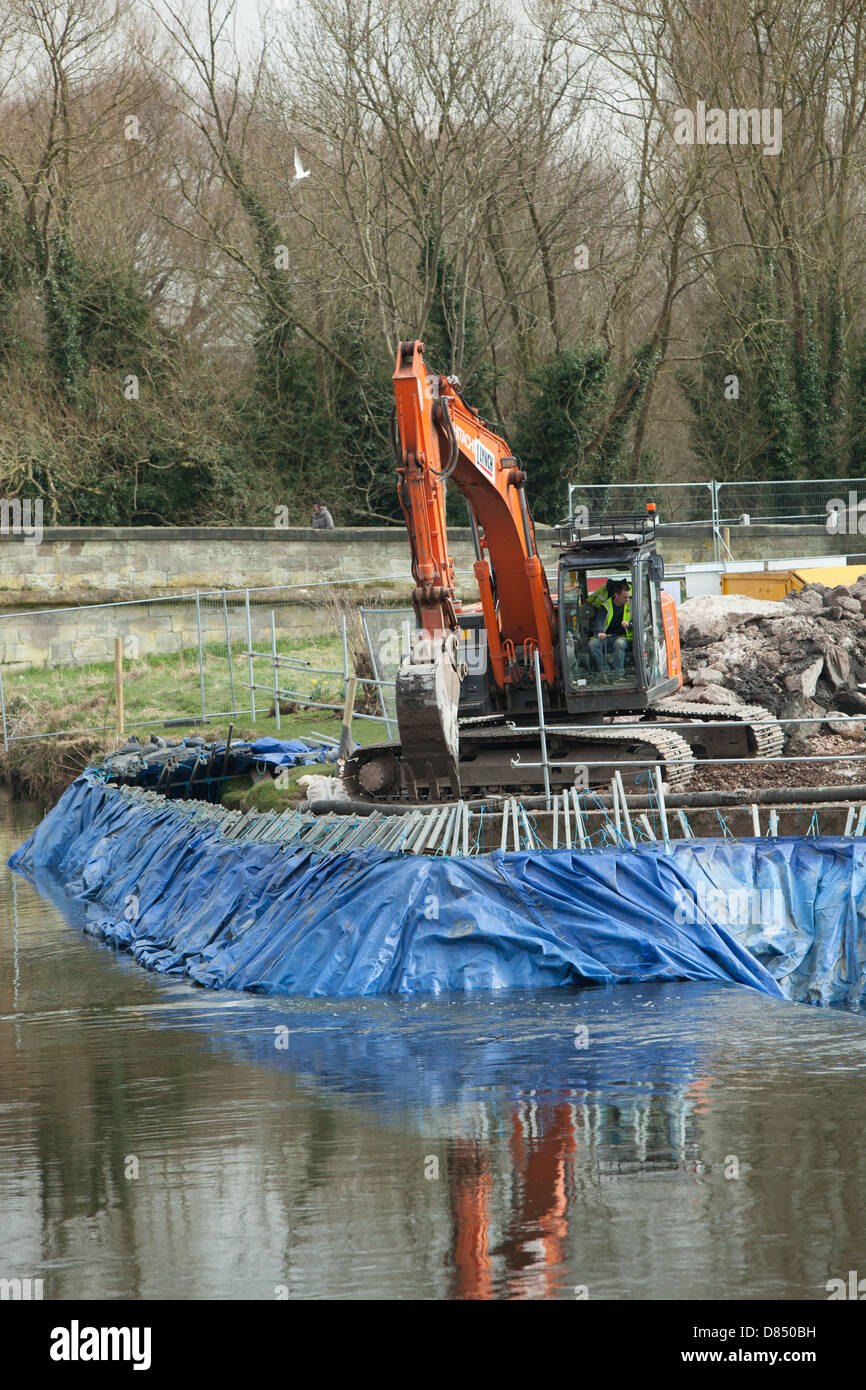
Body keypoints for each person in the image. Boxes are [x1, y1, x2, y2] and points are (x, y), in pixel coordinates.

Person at [588, 578, 631, 673]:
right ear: (616, 595)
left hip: (623, 637)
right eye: (625, 597)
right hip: (607, 637)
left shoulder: (631, 605)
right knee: (593, 644)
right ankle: (605, 671)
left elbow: (640, 622)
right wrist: (600, 632)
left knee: (619, 644)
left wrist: (629, 624)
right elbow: (599, 620)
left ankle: (619, 674)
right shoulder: (606, 606)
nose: (627, 599)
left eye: (628, 597)